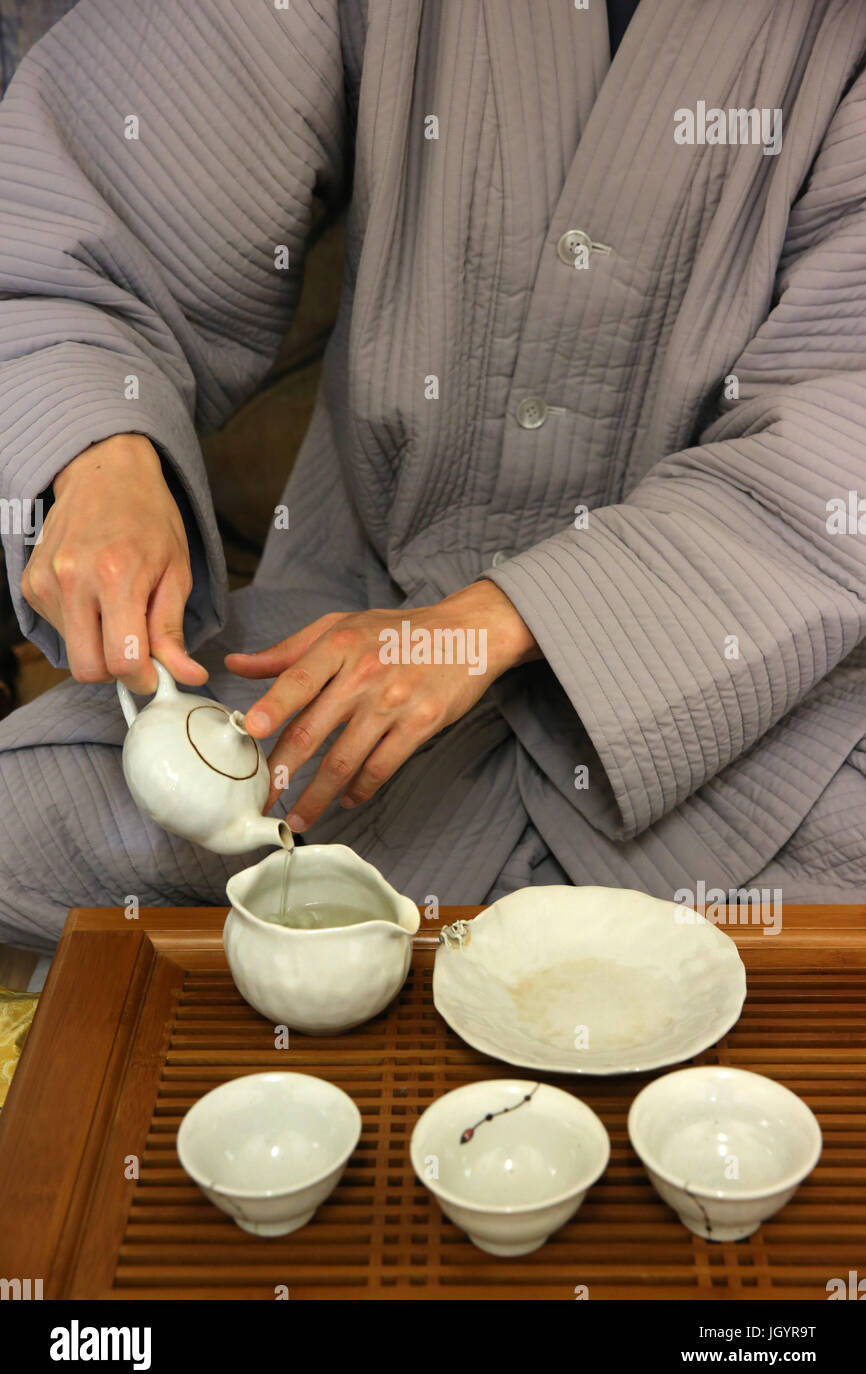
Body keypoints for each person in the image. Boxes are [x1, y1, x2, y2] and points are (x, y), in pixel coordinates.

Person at [1, 0, 865, 953]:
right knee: (23, 835)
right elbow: (80, 234)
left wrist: (497, 623)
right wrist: (101, 456)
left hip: (761, 718)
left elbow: (838, 439)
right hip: (338, 663)